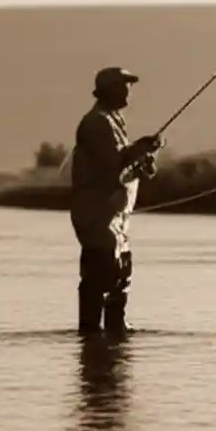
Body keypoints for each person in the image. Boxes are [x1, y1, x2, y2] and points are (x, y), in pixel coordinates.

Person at [68, 67, 163, 335]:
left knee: (120, 273)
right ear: (108, 89)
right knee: (100, 275)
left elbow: (123, 165)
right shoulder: (97, 122)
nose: (128, 91)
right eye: (123, 86)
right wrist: (142, 146)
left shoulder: (114, 120)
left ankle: (114, 333)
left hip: (116, 215)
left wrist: (145, 158)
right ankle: (90, 335)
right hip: (96, 215)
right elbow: (113, 162)